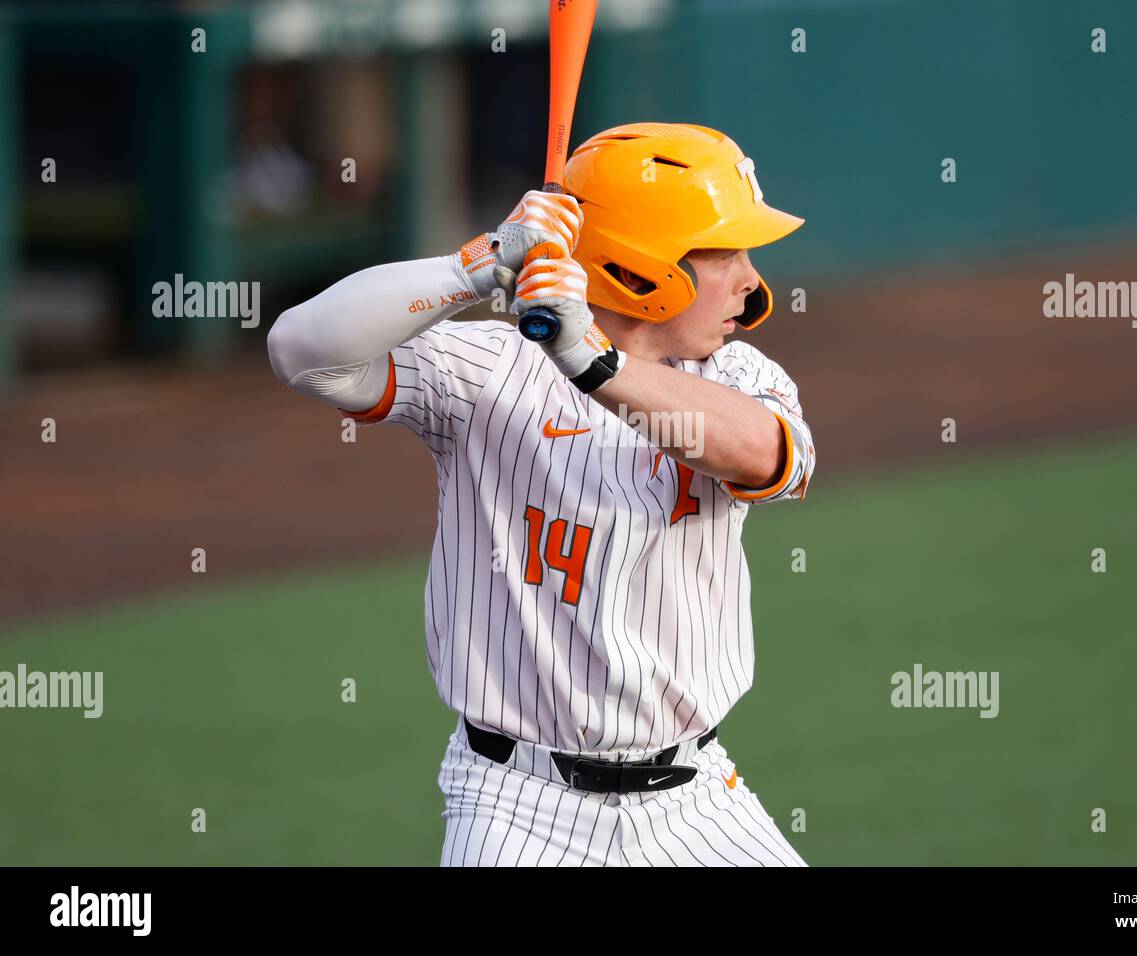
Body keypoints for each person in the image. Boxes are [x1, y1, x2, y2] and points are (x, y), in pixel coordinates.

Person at [267, 122, 815, 866]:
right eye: (725, 254)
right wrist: (478, 265)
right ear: (644, 270)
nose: (753, 281)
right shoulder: (488, 369)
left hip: (696, 801)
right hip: (517, 809)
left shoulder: (740, 377)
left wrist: (590, 356)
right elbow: (301, 350)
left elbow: (763, 453)